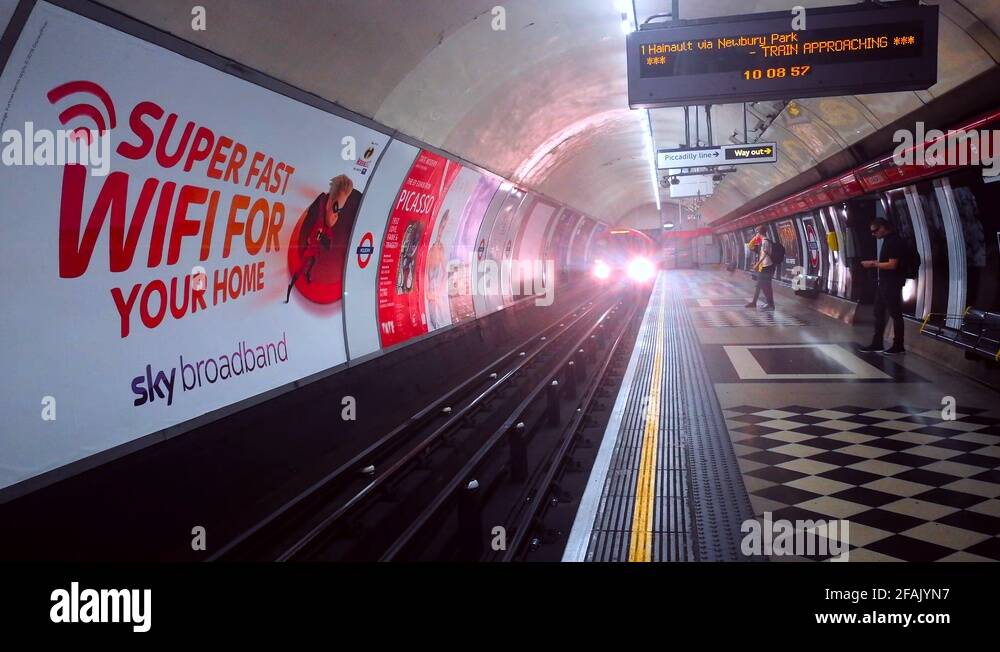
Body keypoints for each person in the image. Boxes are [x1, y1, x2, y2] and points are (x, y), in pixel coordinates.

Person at [285, 175, 354, 303]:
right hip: (310, 248)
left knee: (312, 261)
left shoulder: (325, 225)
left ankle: (308, 274)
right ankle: (292, 284)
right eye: (335, 209)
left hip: (314, 249)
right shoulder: (318, 211)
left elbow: (327, 240)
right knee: (302, 266)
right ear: (329, 202)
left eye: (339, 212)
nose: (335, 217)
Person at [859, 218, 906, 355]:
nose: (874, 234)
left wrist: (873, 264)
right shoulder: (887, 241)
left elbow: (893, 264)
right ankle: (877, 343)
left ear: (884, 227)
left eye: (875, 231)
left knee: (895, 313)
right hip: (884, 282)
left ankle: (898, 345)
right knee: (878, 312)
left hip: (892, 283)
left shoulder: (895, 241)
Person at [746, 225, 775, 311]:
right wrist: (755, 238)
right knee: (759, 285)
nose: (756, 234)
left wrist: (757, 264)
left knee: (766, 286)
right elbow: (750, 246)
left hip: (767, 267)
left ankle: (770, 305)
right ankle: (754, 303)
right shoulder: (763, 241)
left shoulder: (765, 242)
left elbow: (765, 254)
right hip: (764, 267)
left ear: (759, 232)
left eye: (757, 233)